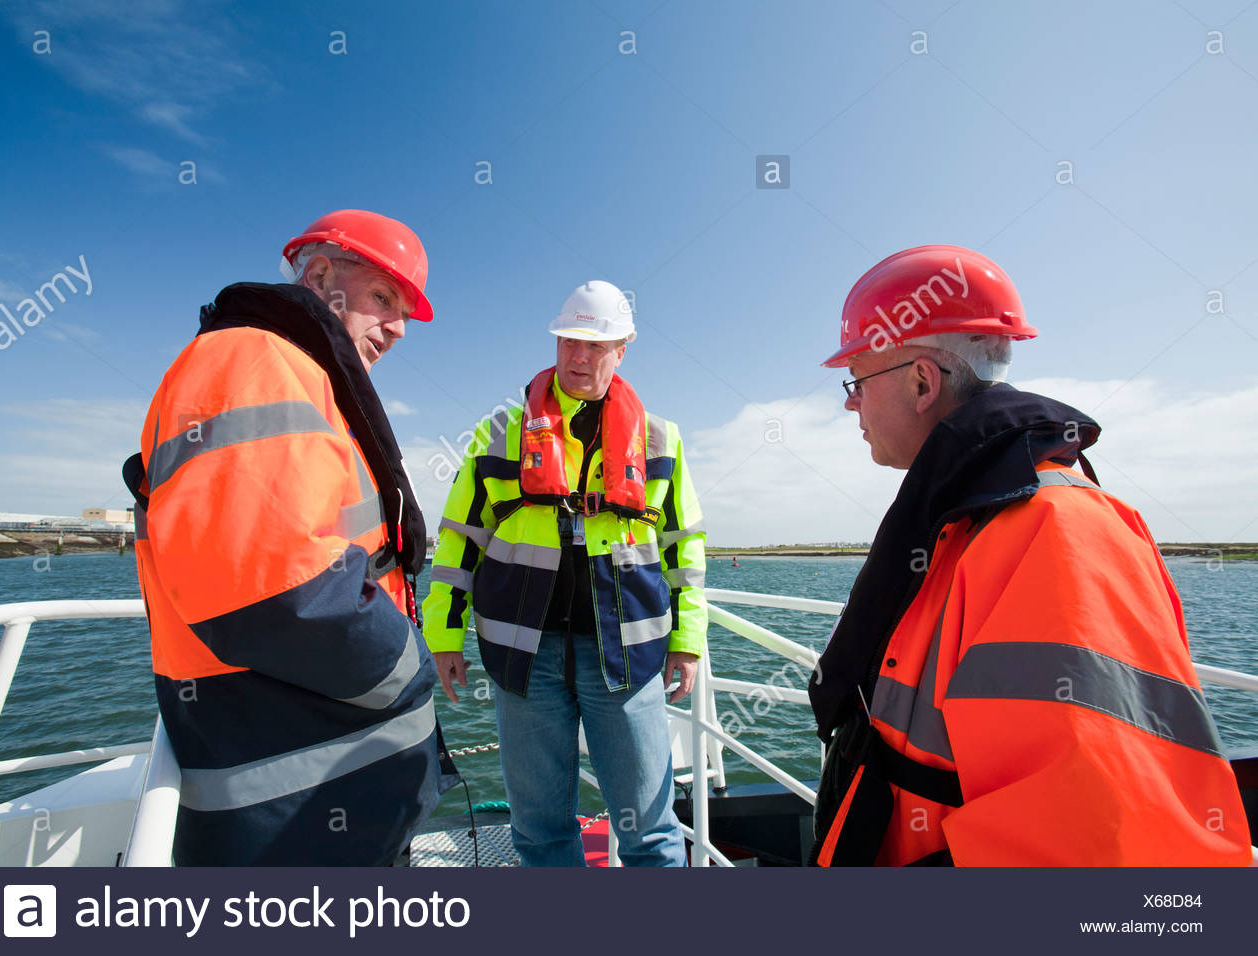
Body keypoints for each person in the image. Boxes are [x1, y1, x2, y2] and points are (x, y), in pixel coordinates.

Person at [809, 244, 1252, 866]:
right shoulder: (961, 522)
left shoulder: (1057, 534)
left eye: (856, 382)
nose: (850, 403)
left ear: (920, 381)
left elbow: (1095, 844)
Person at [123, 209, 456, 865]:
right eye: (384, 298)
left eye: (404, 315)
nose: (395, 329)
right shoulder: (251, 359)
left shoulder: (299, 375)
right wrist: (410, 668)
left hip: (325, 788)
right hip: (290, 809)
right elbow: (272, 591)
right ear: (322, 273)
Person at [422, 280, 706, 866]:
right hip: (526, 657)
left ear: (622, 349)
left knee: (652, 834)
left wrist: (688, 641)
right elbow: (458, 541)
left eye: (596, 345)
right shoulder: (498, 432)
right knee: (541, 833)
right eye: (569, 341)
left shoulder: (662, 440)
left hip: (626, 654)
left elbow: (684, 548)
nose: (580, 356)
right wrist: (445, 638)